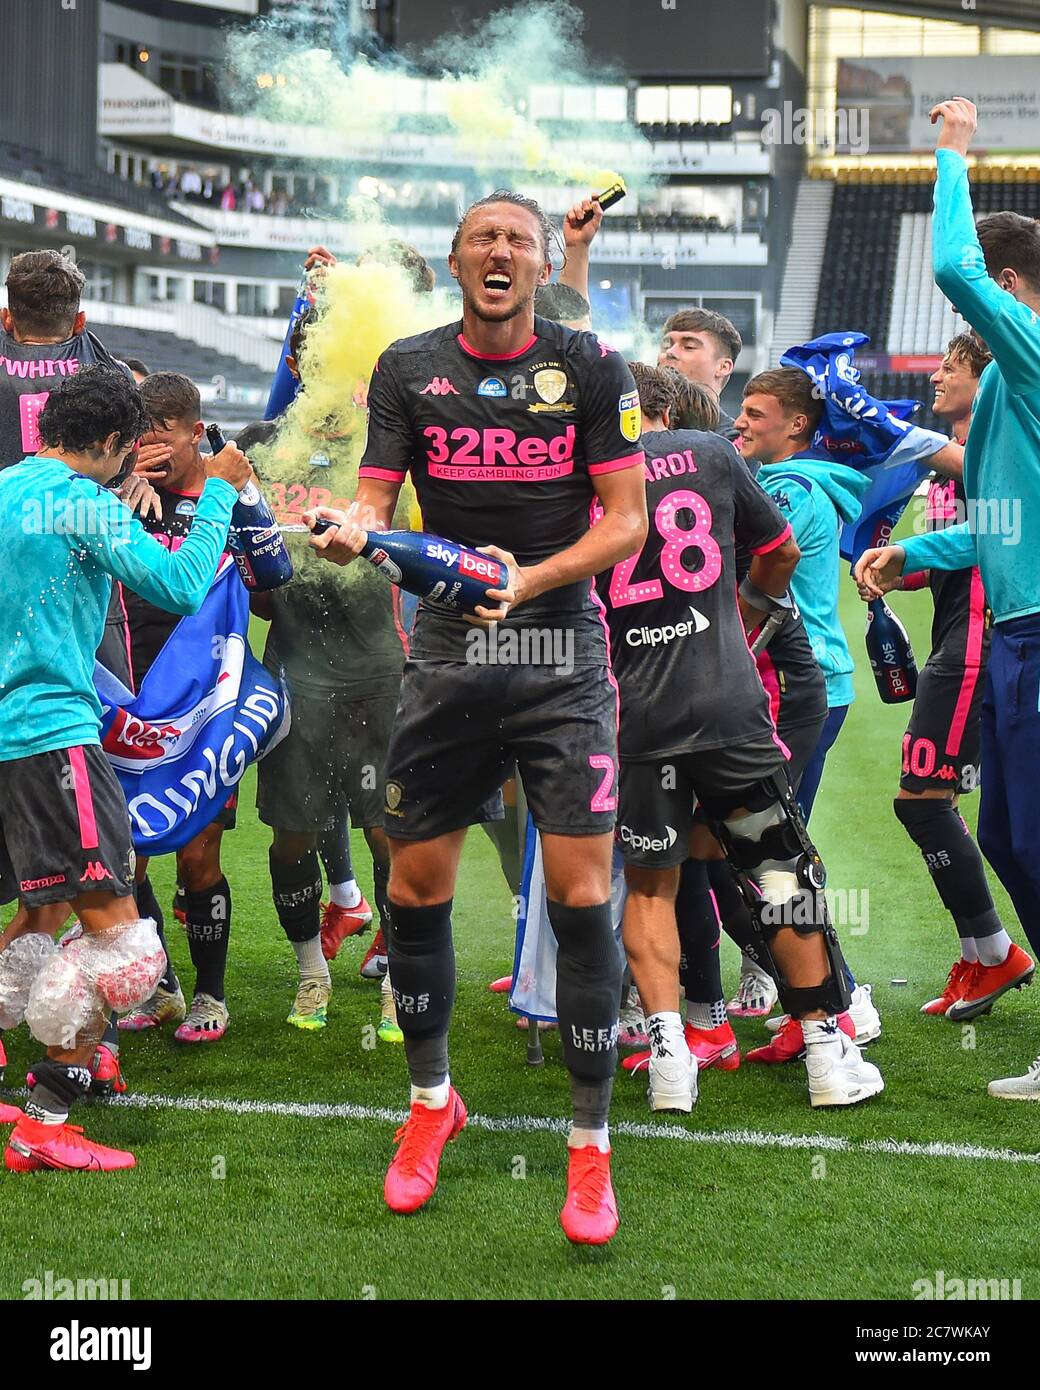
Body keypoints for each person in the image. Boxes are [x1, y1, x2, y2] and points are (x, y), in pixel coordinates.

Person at [308, 189, 648, 1245]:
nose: (499, 252)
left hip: (560, 651)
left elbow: (626, 524)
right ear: (454, 262)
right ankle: (427, 1105)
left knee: (580, 888)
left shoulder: (589, 366)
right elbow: (375, 497)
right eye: (481, 239)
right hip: (452, 653)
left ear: (542, 262)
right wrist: (351, 530)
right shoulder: (407, 368)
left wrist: (529, 575)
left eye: (517, 239)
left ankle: (588, 1148)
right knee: (417, 887)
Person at [605, 363, 882, 1112]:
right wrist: (745, 617)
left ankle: (670, 1063)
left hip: (637, 721)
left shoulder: (581, 479)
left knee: (652, 888)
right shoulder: (711, 454)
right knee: (783, 875)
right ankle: (827, 1049)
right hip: (726, 707)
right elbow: (782, 551)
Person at [0, 365, 248, 1170]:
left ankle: (38, 1068)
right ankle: (46, 1120)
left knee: (43, 914)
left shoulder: (10, 487)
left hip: (10, 738)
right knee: (122, 944)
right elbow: (179, 583)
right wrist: (217, 492)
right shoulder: (78, 501)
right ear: (109, 442)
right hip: (54, 734)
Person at [855, 97, 1040, 1097]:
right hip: (1015, 631)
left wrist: (952, 153)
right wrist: (910, 555)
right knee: (1009, 835)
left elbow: (951, 267)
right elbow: (998, 528)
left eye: (982, 307)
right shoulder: (1010, 395)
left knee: (1031, 831)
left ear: (1008, 292)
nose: (959, 328)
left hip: (1036, 635)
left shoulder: (1032, 355)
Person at [240, 303, 406, 1036]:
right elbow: (260, 594)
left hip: (377, 672)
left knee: (389, 833)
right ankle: (310, 972)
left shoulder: (389, 446)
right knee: (292, 834)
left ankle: (401, 976)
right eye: (308, 357)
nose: (320, 368)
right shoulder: (262, 449)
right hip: (294, 675)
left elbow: (419, 555)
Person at [883, 334, 1025, 1020]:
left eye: (950, 367)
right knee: (946, 807)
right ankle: (981, 952)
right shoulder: (947, 475)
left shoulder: (987, 461)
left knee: (922, 803)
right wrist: (892, 566)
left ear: (987, 378)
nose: (935, 376)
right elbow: (949, 563)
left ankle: (996, 953)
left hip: (974, 653)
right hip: (956, 645)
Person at [117, 372, 248, 1045]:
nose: (150, 451)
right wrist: (117, 484)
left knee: (198, 856)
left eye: (162, 436)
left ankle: (210, 995)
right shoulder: (117, 495)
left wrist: (242, 494)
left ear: (197, 433)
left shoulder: (225, 497)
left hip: (202, 711)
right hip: (127, 704)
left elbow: (271, 579)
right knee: (126, 859)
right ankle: (161, 983)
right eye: (138, 438)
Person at [657, 307, 742, 436]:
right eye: (667, 346)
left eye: (689, 347)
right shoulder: (631, 430)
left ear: (723, 367)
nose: (670, 352)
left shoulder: (733, 443)